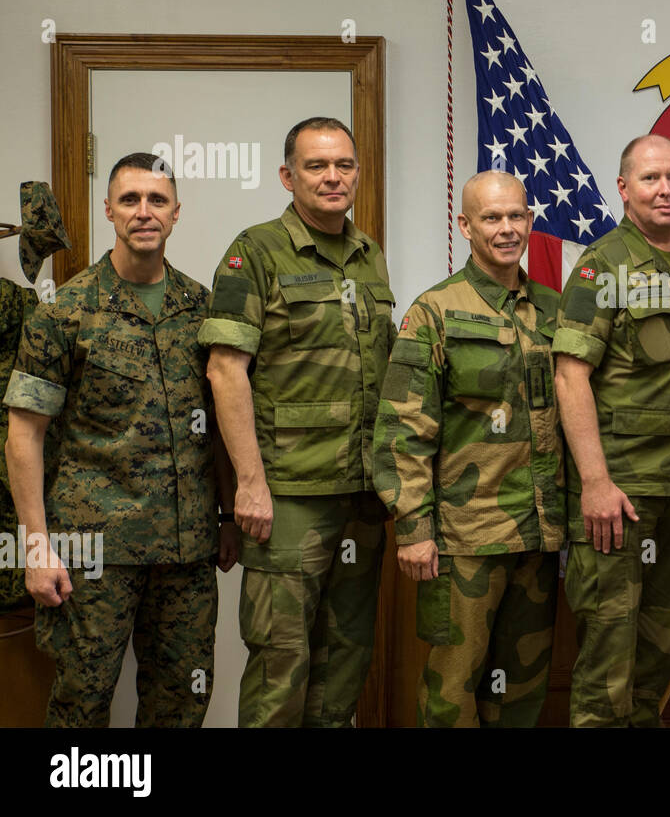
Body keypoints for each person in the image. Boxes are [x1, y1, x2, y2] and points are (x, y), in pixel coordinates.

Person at [4, 153, 237, 726]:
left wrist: (228, 516)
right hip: (94, 551)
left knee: (182, 701)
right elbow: (24, 435)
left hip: (185, 549)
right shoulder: (65, 312)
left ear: (177, 213)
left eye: (157, 200)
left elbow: (222, 423)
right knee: (81, 702)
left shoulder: (201, 308)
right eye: (130, 200)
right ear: (108, 210)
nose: (144, 211)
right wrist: (35, 546)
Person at [200, 117, 396, 727]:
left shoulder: (368, 255)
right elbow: (225, 372)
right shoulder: (255, 251)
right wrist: (248, 488)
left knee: (343, 665)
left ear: (358, 173)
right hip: (288, 499)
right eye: (316, 166)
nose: (332, 176)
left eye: (343, 164)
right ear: (288, 176)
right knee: (281, 668)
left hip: (361, 499)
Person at [373, 171, 564, 727]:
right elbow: (403, 428)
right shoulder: (435, 311)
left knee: (522, 687)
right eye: (491, 218)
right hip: (465, 538)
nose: (506, 229)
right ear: (466, 225)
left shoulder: (554, 311)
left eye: (516, 217)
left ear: (529, 220)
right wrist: (413, 529)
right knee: (452, 689)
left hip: (540, 532)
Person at [552, 134, 670, 727]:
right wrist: (594, 482)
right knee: (607, 663)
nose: (665, 190)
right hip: (618, 497)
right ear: (623, 189)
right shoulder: (605, 264)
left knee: (655, 655)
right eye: (650, 179)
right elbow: (570, 376)